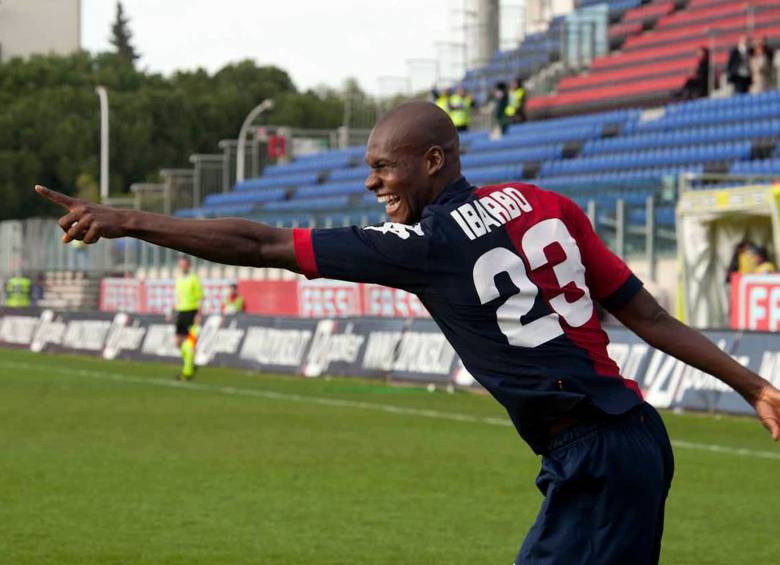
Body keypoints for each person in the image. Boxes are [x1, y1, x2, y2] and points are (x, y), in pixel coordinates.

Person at [34, 101, 780, 565]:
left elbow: (262, 244)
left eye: (384, 167)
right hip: (633, 442)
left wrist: (127, 219)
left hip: (597, 458)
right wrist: (754, 384)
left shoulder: (428, 243)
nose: (372, 183)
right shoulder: (546, 202)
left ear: (433, 161)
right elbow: (646, 316)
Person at [174, 256, 202, 380]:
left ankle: (187, 372)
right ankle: (190, 363)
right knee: (178, 343)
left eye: (184, 264)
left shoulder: (194, 278)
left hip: (192, 312)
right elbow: (179, 297)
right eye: (181, 264)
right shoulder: (179, 279)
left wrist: (198, 314)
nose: (182, 266)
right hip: (181, 313)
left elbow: (200, 297)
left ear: (188, 265)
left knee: (189, 344)